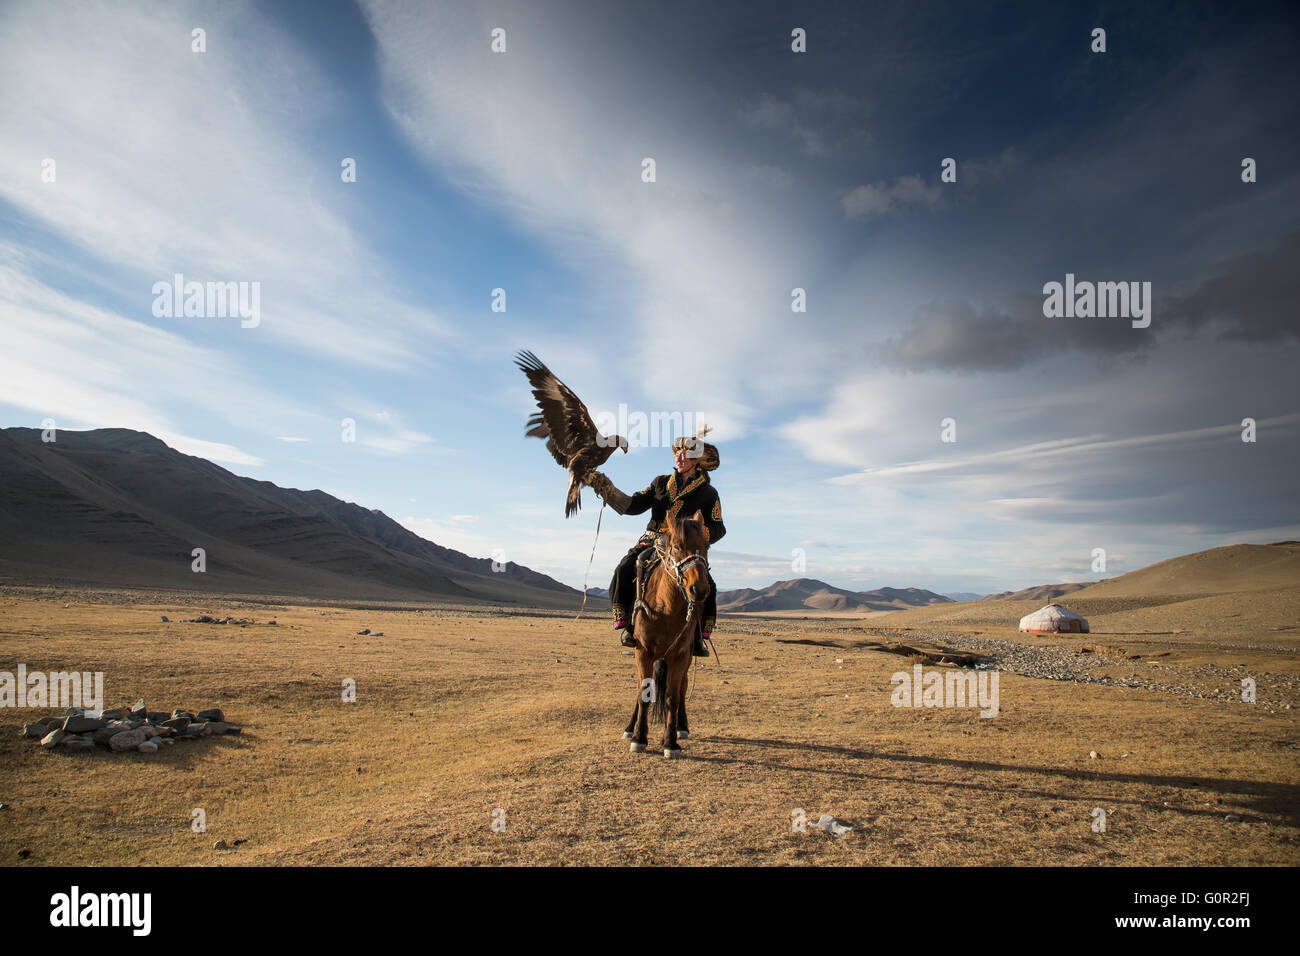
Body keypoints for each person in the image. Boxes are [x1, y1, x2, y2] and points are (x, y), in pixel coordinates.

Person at [586, 437, 724, 656]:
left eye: (686, 453)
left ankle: (698, 637)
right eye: (677, 452)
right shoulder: (660, 482)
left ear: (696, 460)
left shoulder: (709, 493)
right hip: (653, 541)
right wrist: (605, 488)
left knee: (708, 585)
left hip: (685, 550)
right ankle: (629, 627)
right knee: (625, 567)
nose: (680, 457)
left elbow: (718, 528)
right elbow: (633, 505)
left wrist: (695, 535)